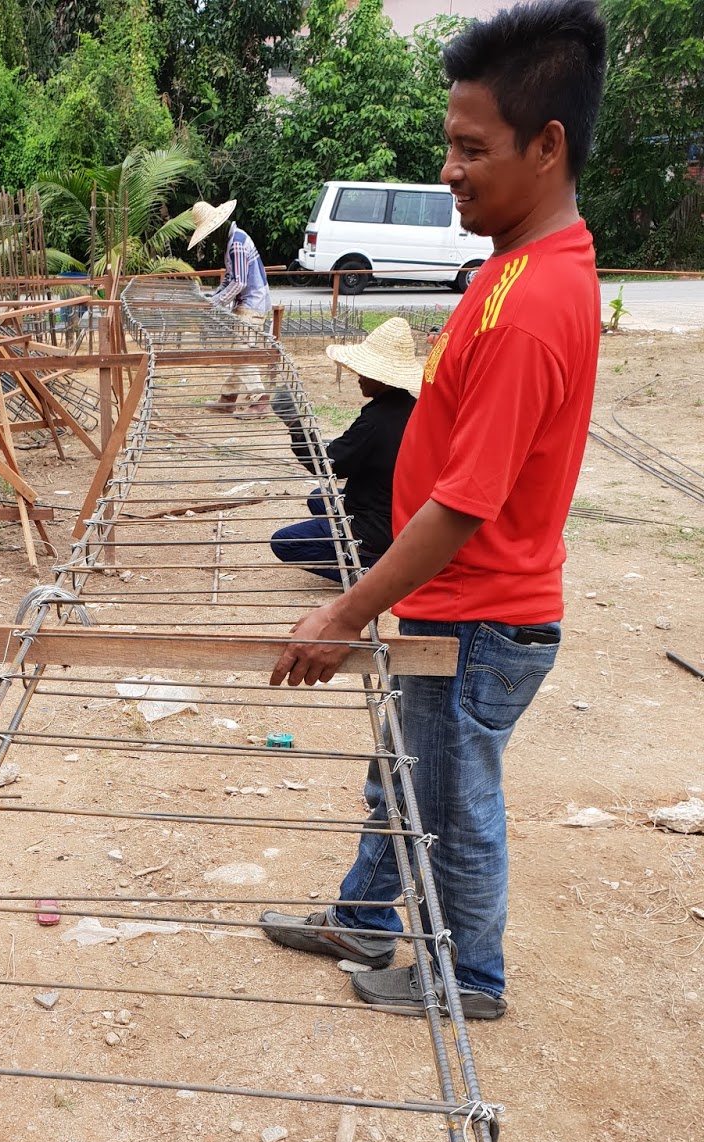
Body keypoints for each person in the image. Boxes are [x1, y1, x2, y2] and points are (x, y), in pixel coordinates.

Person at [260, 0, 607, 1021]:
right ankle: (367, 917)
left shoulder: (531, 302)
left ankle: (471, 978)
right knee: (406, 773)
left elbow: (464, 501)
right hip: (459, 603)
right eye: (447, 144)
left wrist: (342, 610)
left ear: (546, 147)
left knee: (453, 802)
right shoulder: (515, 269)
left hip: (483, 610)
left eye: (471, 148)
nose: (449, 169)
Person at [269, 317, 421, 579]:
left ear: (380, 377)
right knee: (319, 497)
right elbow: (352, 449)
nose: (359, 378)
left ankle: (372, 573)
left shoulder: (376, 421)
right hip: (403, 511)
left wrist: (296, 426)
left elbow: (330, 464)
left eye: (363, 372)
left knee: (285, 541)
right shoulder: (410, 408)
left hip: (376, 527)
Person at [189, 199, 273, 415]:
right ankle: (228, 398)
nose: (211, 239)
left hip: (252, 304)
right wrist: (212, 298)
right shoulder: (233, 242)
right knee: (238, 351)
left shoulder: (236, 243)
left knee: (241, 352)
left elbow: (239, 282)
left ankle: (259, 399)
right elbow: (229, 279)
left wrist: (215, 303)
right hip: (247, 303)